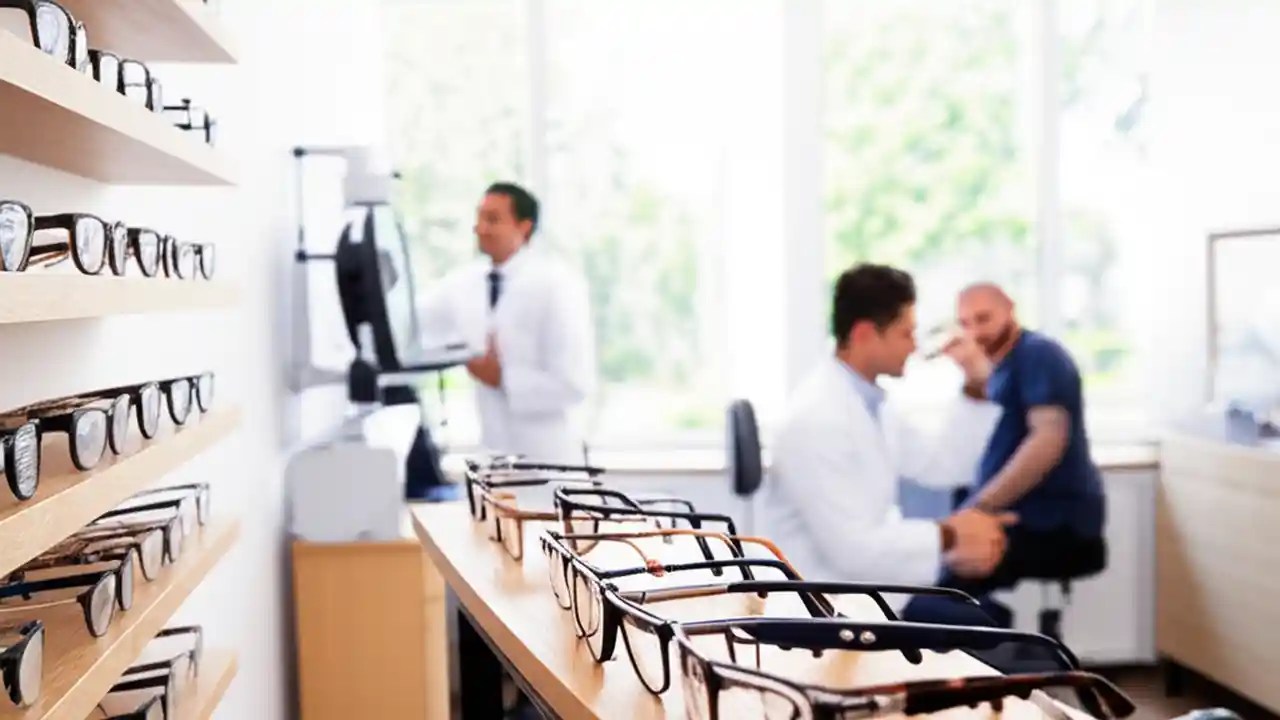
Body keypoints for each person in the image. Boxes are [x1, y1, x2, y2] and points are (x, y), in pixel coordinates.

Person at [762, 263, 1015, 611]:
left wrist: (975, 385)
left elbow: (944, 465)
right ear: (865, 334)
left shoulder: (872, 403)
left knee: (989, 614)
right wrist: (951, 535)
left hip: (872, 587)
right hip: (833, 606)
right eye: (906, 333)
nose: (914, 346)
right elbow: (853, 550)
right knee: (985, 626)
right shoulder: (816, 418)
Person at [928, 282, 1106, 599]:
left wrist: (981, 507)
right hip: (1017, 513)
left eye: (984, 319)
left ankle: (970, 643)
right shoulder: (998, 365)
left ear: (1010, 309)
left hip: (1052, 520)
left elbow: (1048, 440)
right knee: (938, 561)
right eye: (966, 323)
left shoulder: (1039, 354)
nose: (976, 332)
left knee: (949, 579)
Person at [416, 182, 595, 464]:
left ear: (524, 226)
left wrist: (503, 378)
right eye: (479, 218)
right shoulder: (462, 284)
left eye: (493, 219)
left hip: (549, 461)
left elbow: (575, 385)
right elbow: (409, 323)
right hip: (494, 459)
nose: (480, 228)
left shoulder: (557, 285)